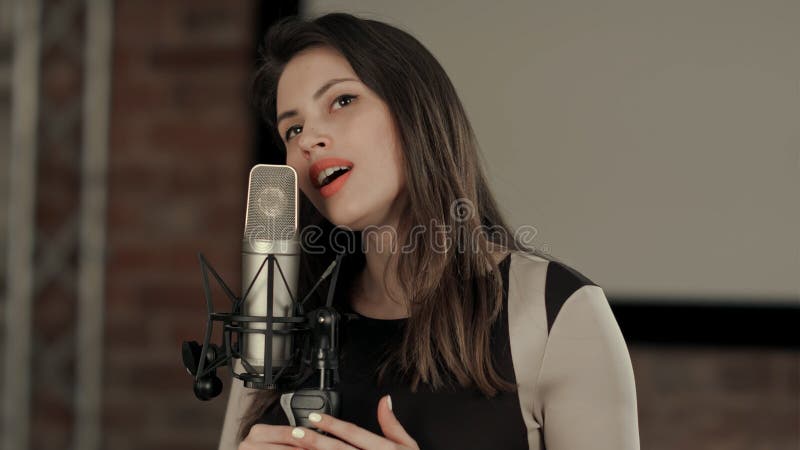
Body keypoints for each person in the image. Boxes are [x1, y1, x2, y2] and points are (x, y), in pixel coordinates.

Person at [221, 12, 639, 450]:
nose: (308, 140)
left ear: (414, 111)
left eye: (342, 101)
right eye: (293, 128)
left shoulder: (557, 312)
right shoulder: (273, 324)